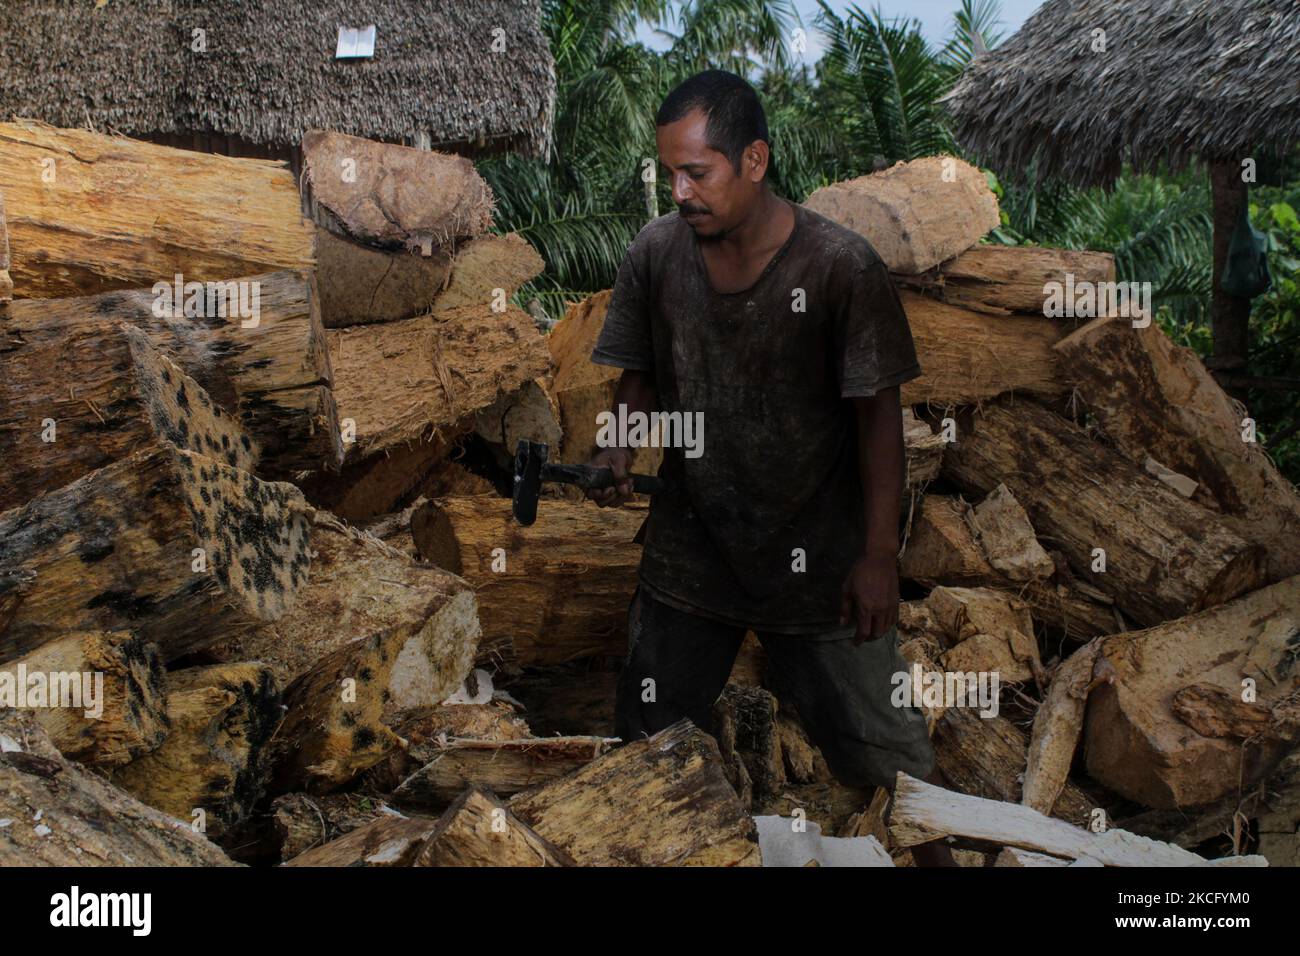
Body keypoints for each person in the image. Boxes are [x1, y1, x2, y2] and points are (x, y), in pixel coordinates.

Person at [587, 69, 956, 866]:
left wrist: (879, 555)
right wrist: (617, 447)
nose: (679, 191)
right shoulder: (657, 253)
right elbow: (638, 377)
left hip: (820, 561)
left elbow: (877, 421)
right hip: (693, 550)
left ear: (754, 160)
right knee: (646, 752)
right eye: (669, 173)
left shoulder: (837, 268)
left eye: (698, 172)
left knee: (892, 763)